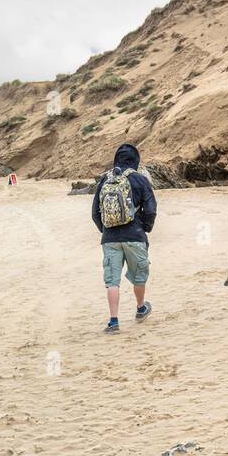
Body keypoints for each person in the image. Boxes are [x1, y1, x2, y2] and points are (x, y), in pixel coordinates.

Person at [91, 143, 157, 334]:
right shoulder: (140, 180)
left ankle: (113, 321)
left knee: (112, 281)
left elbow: (95, 213)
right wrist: (144, 228)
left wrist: (105, 230)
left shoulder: (105, 180)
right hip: (134, 236)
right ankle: (140, 308)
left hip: (110, 238)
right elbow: (151, 209)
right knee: (139, 275)